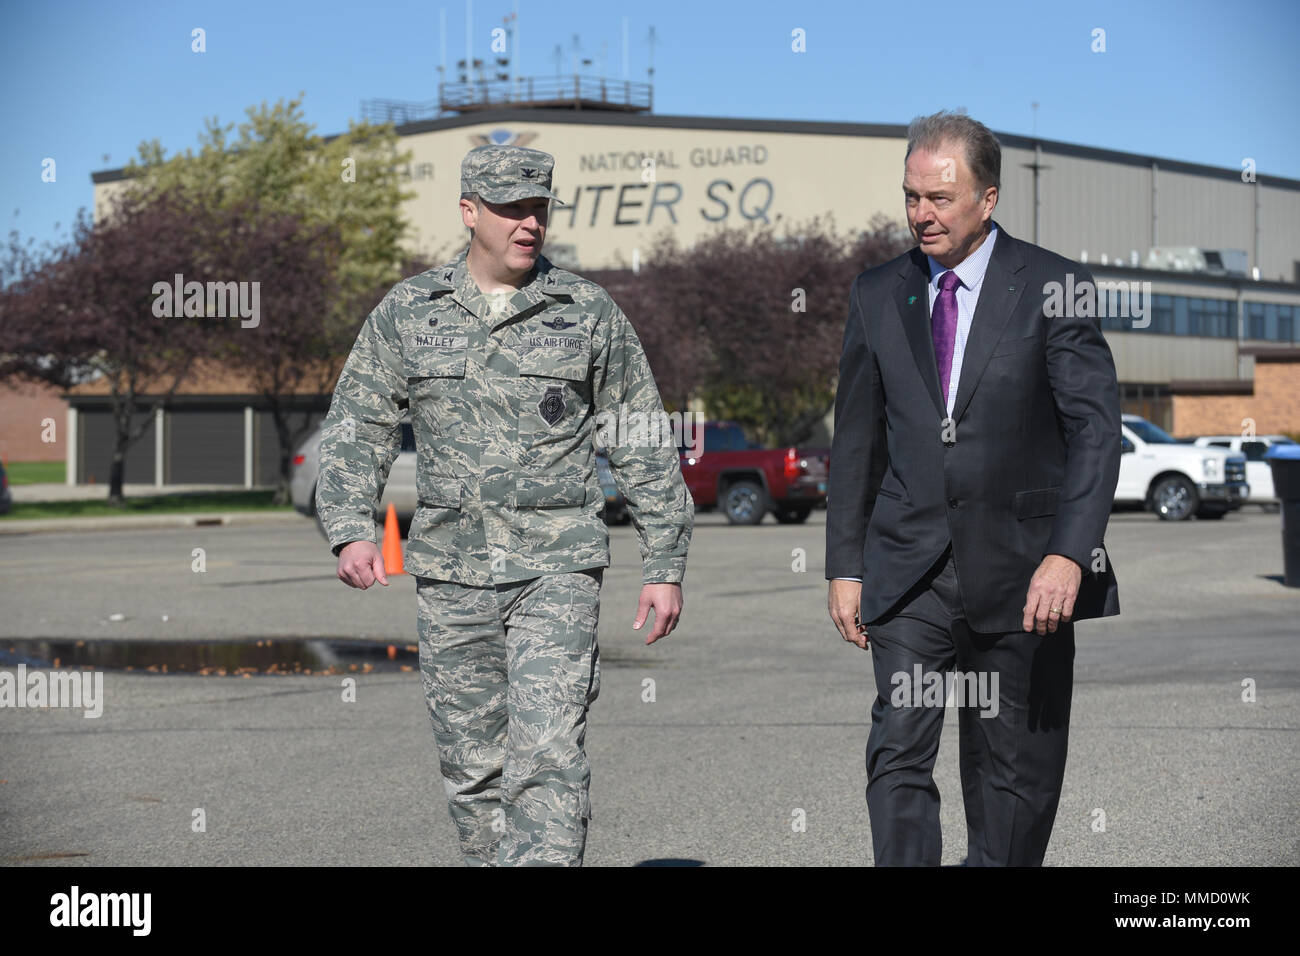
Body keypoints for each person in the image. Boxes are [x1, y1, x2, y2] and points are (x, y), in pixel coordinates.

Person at [316, 144, 693, 866]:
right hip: (451, 577)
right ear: (469, 212)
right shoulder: (409, 311)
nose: (529, 223)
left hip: (556, 570)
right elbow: (357, 423)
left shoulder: (585, 312)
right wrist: (350, 529)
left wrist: (665, 560)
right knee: (472, 770)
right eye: (511, 208)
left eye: (538, 208)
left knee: (546, 755)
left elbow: (640, 434)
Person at [825, 111, 1121, 866]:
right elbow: (858, 440)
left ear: (987, 199)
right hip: (908, 569)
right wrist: (845, 566)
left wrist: (1069, 554)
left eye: (940, 198)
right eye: (911, 196)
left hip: (1027, 571)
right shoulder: (877, 292)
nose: (922, 213)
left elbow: (1094, 431)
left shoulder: (1058, 287)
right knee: (898, 749)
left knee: (1014, 772)